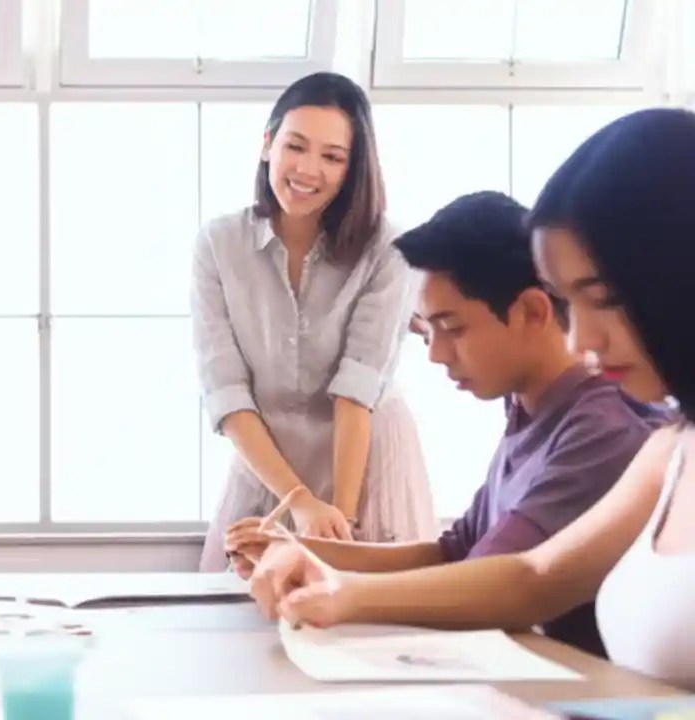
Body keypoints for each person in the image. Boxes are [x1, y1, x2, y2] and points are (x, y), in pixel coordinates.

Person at [247, 107, 695, 689]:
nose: (581, 338)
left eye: (601, 297)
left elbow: (505, 580)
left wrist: (344, 590)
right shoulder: (669, 448)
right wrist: (316, 563)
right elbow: (527, 574)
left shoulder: (608, 427)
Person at [193, 71, 433, 571]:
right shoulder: (219, 244)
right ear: (267, 145)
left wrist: (335, 525)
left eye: (332, 157)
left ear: (352, 169)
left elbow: (355, 394)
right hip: (268, 462)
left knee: (360, 619)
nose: (307, 169)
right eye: (295, 146)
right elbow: (228, 393)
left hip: (363, 459)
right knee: (237, 612)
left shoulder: (385, 250)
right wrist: (300, 502)